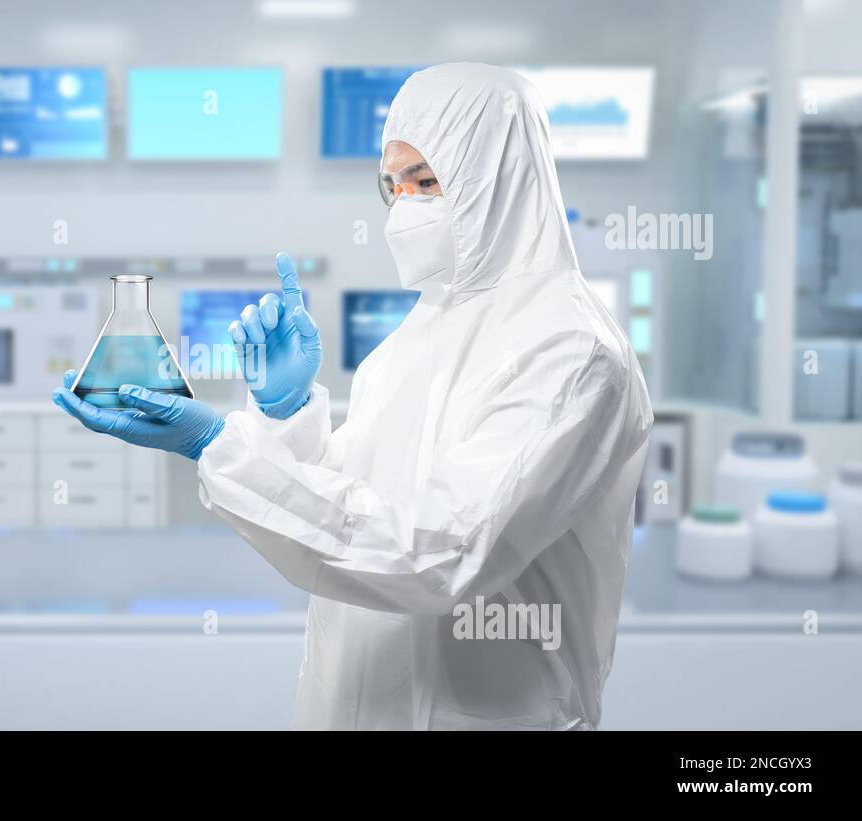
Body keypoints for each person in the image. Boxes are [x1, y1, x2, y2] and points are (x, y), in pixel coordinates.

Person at [53, 62, 653, 730]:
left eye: (428, 181)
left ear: (502, 176)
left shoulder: (571, 352)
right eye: (392, 186)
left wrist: (217, 446)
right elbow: (349, 502)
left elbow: (442, 549)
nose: (404, 208)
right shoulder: (411, 342)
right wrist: (284, 419)